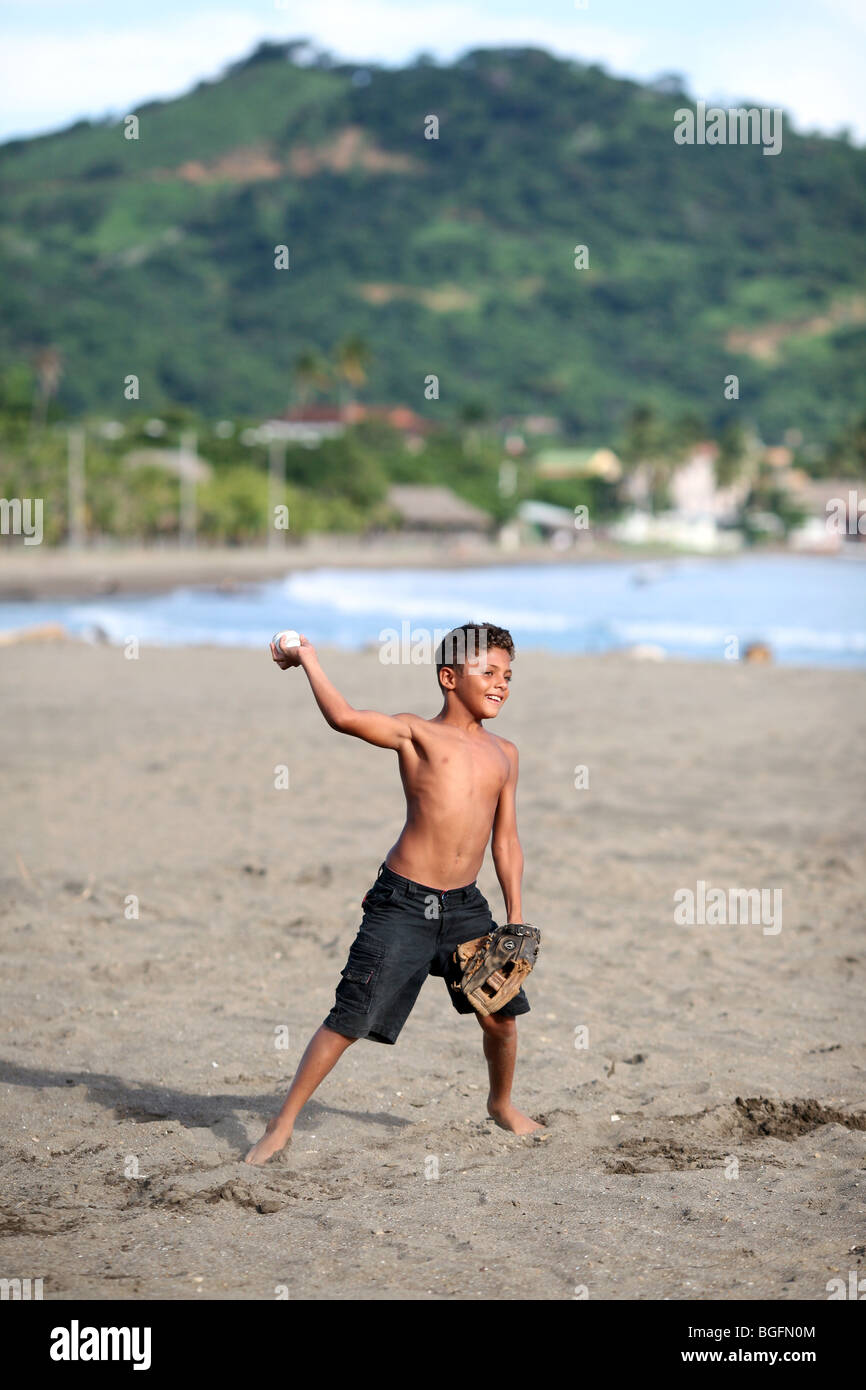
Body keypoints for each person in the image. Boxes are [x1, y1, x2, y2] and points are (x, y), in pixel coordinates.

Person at [244, 620, 541, 1165]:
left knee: (500, 1014)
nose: (501, 683)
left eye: (508, 675)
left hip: (465, 907)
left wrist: (515, 917)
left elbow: (508, 840)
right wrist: (307, 657)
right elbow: (345, 718)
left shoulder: (506, 753)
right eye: (489, 671)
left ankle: (501, 1104)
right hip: (403, 903)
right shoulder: (416, 734)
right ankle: (282, 1123)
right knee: (352, 1016)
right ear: (450, 677)